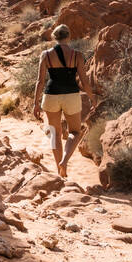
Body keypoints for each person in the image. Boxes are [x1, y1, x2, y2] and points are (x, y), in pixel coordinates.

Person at [30, 23, 94, 179]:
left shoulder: (45, 55)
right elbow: (85, 82)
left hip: (51, 96)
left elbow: (40, 81)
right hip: (71, 95)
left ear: (54, 37)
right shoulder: (77, 55)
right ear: (69, 37)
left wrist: (35, 104)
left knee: (54, 134)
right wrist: (92, 98)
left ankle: (60, 169)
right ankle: (64, 162)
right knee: (75, 132)